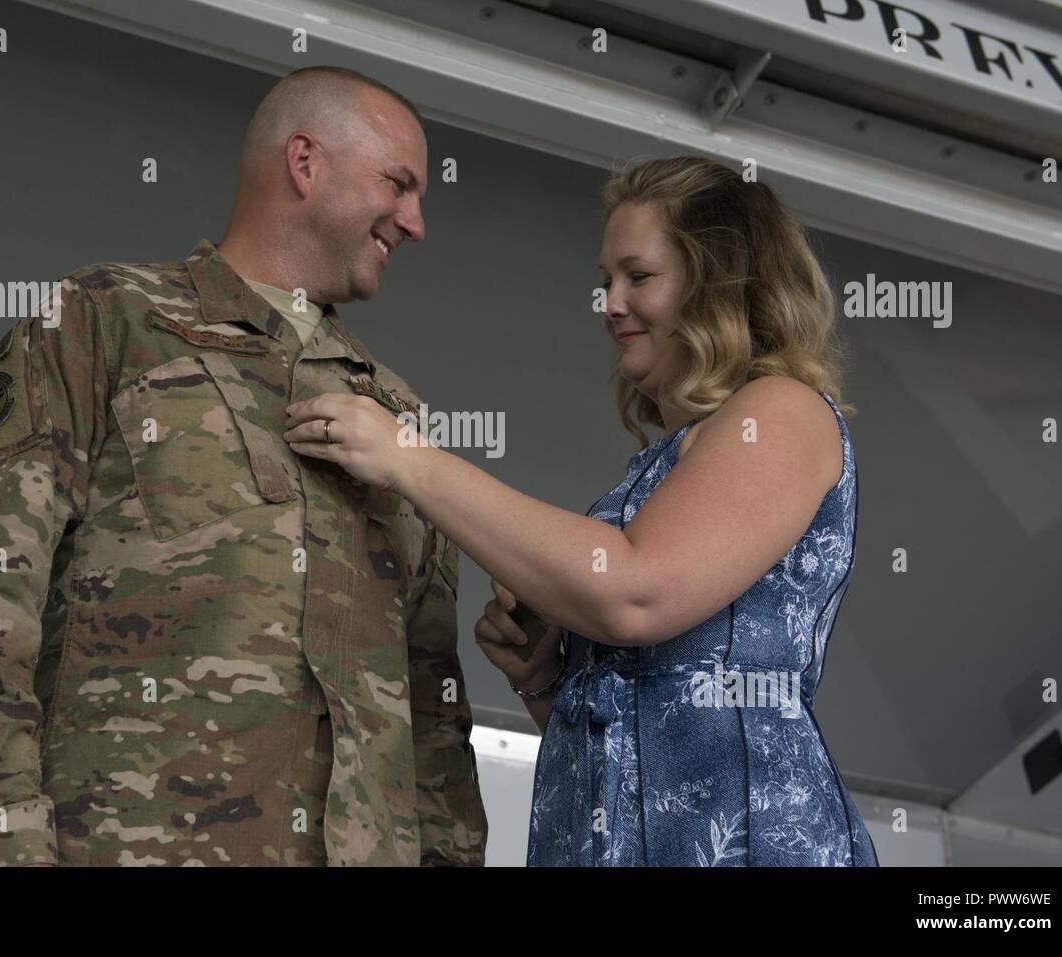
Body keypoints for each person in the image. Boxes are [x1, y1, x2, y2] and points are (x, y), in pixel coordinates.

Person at [0, 66, 488, 866]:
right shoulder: (103, 325)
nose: (415, 222)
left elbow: (435, 727)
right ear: (306, 163)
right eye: (400, 184)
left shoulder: (402, 426)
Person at [283, 156, 880, 866]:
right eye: (605, 283)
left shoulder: (780, 410)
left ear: (719, 279)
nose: (611, 304)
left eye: (639, 276)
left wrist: (407, 458)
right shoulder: (662, 467)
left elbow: (634, 590)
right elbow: (640, 725)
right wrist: (545, 679)